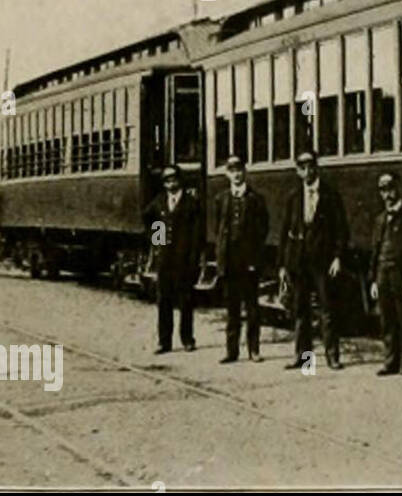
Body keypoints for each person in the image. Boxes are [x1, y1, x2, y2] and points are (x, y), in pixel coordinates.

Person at [278, 151, 349, 370]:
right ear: (298, 171)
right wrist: (282, 264)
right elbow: (284, 232)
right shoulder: (293, 197)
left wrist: (337, 257)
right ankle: (304, 357)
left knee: (327, 309)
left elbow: (341, 230)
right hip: (299, 262)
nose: (307, 172)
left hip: (323, 262)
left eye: (310, 167)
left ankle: (332, 356)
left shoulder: (329, 195)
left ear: (316, 168)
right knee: (301, 311)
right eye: (302, 168)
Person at [212, 156, 270, 364]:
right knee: (232, 309)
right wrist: (221, 259)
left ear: (244, 172)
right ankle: (232, 351)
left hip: (249, 261)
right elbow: (219, 229)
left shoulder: (255, 199)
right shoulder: (222, 199)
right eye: (232, 170)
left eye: (239, 170)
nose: (236, 174)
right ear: (227, 174)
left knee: (252, 308)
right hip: (230, 261)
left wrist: (255, 255)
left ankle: (254, 349)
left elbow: (263, 229)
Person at [367, 172, 402, 377]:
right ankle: (390, 362)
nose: (387, 194)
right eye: (383, 190)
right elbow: (375, 250)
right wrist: (372, 279)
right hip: (383, 272)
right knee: (387, 320)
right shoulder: (380, 219)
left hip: (401, 273)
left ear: (397, 188)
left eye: (390, 188)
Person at [143, 166, 203, 354]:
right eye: (167, 181)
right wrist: (157, 241)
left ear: (180, 181)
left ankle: (187, 339)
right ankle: (164, 341)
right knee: (164, 301)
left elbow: (196, 235)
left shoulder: (191, 203)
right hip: (165, 260)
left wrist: (194, 257)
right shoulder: (159, 202)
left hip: (183, 259)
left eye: (174, 180)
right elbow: (148, 218)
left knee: (185, 300)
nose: (171, 183)